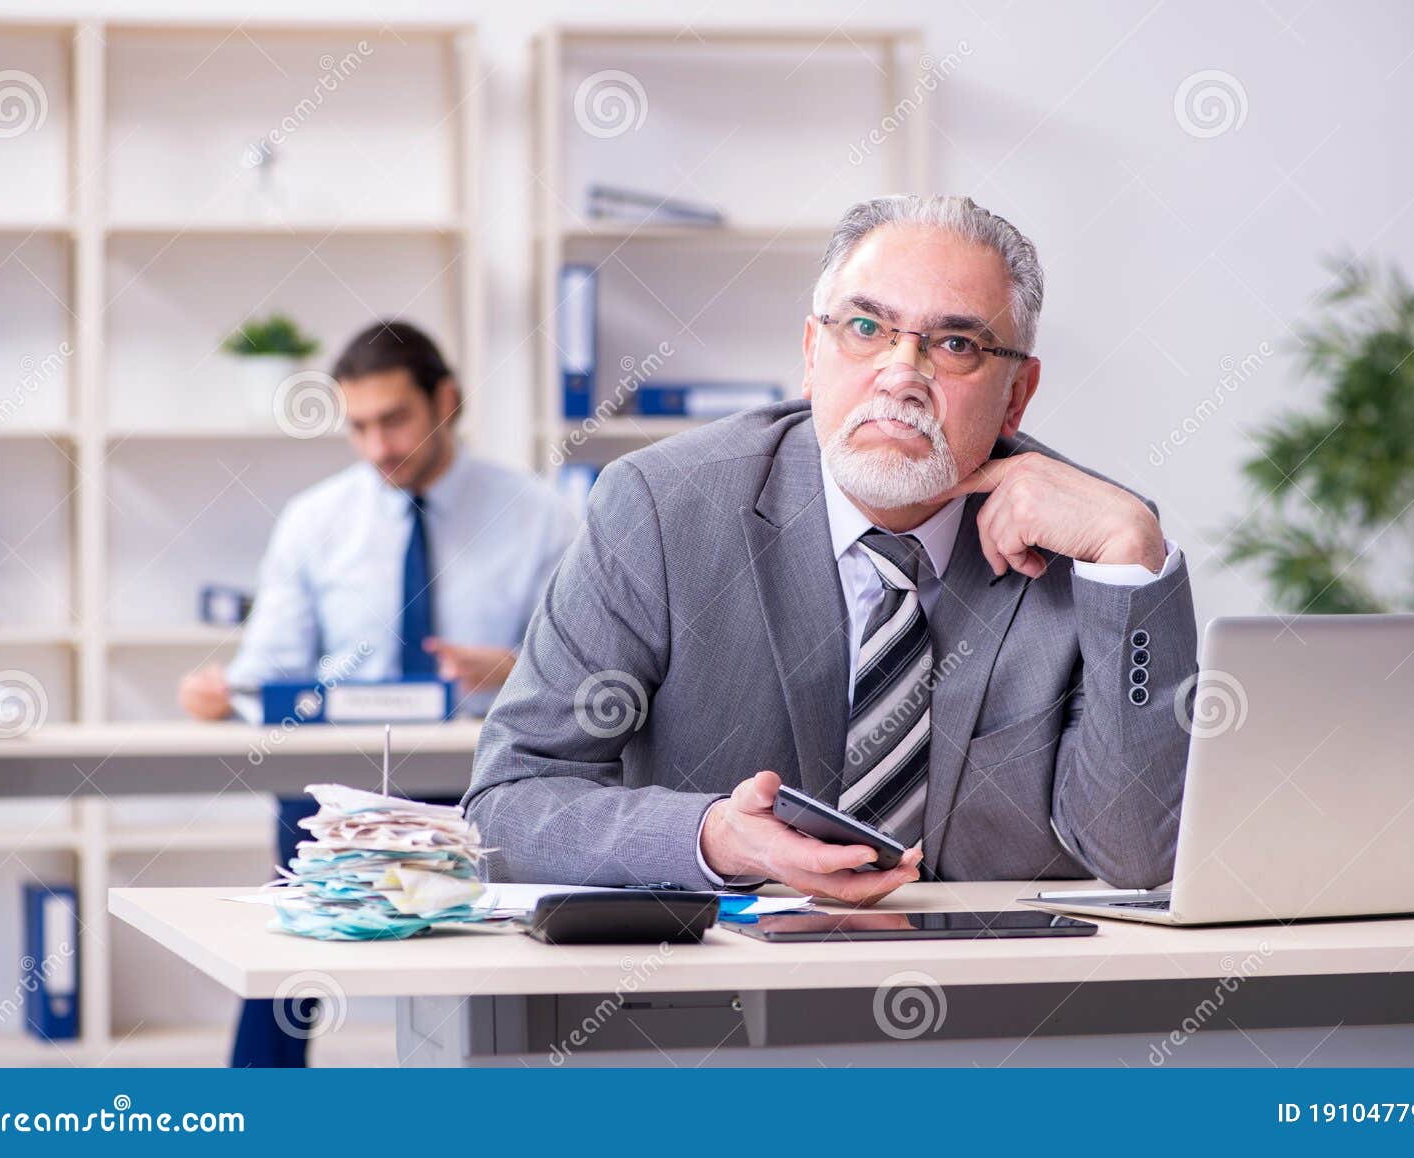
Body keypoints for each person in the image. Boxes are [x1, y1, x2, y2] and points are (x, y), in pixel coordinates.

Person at [465, 193, 1198, 905]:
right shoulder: (661, 510)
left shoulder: (1095, 544)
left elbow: (1136, 855)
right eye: (866, 327)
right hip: (718, 997)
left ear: (1016, 395)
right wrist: (716, 837)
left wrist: (1132, 553)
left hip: (1004, 1000)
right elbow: (509, 804)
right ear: (813, 353)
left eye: (955, 344)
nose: (902, 372)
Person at [179, 319, 577, 1065]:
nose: (378, 448)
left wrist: (505, 669)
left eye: (394, 420)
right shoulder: (316, 520)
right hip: (341, 789)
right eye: (358, 426)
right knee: (283, 967)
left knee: (503, 969)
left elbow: (585, 672)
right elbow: (269, 667)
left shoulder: (538, 513)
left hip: (482, 782)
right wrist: (220, 692)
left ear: (446, 401)